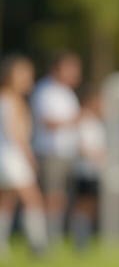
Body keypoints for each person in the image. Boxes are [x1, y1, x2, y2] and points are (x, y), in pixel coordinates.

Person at [31, 52, 82, 243]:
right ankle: (45, 236)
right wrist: (75, 120)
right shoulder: (45, 90)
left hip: (68, 152)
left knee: (61, 197)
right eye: (70, 68)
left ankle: (55, 234)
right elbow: (48, 122)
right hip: (50, 152)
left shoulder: (68, 93)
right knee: (50, 196)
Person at [0, 55, 48, 256]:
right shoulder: (9, 99)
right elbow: (15, 132)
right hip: (11, 155)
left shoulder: (12, 99)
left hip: (8, 155)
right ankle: (38, 244)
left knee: (6, 202)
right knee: (33, 199)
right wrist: (29, 155)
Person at [70, 86, 106, 250]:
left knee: (91, 205)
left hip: (95, 171)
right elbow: (81, 147)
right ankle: (79, 240)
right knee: (82, 205)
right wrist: (97, 156)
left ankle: (84, 240)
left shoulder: (98, 123)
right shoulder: (84, 121)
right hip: (83, 170)